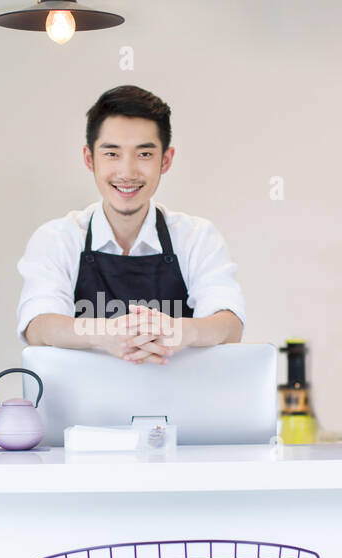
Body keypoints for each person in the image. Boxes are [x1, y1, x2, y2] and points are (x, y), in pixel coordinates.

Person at [17, 85, 245, 365]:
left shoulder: (197, 237)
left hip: (179, 403)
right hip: (82, 405)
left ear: (166, 159)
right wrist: (105, 332)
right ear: (90, 159)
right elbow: (38, 327)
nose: (127, 172)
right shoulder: (57, 238)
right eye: (112, 154)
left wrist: (180, 331)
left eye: (144, 154)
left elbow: (230, 326)